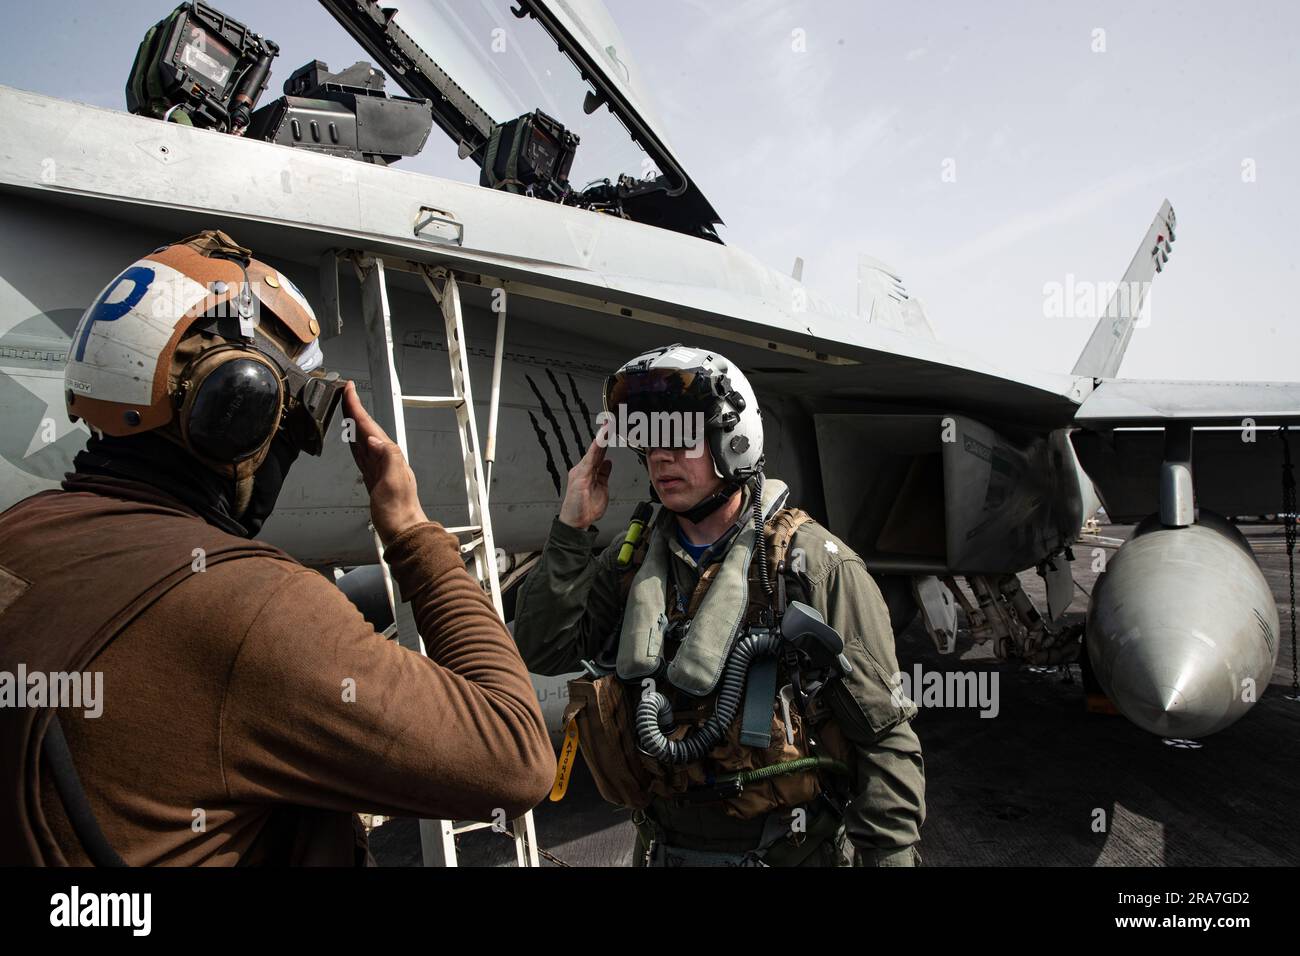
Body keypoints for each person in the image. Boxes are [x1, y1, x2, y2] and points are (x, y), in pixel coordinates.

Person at [0, 230, 554, 865]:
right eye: (298, 413)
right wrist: (411, 532)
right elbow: (516, 760)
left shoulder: (18, 534)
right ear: (241, 409)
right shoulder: (254, 606)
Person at [514, 343, 925, 866]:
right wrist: (572, 530)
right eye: (647, 440)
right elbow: (543, 650)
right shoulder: (632, 563)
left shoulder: (812, 567)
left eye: (679, 437)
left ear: (733, 439)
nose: (659, 457)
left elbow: (884, 738)